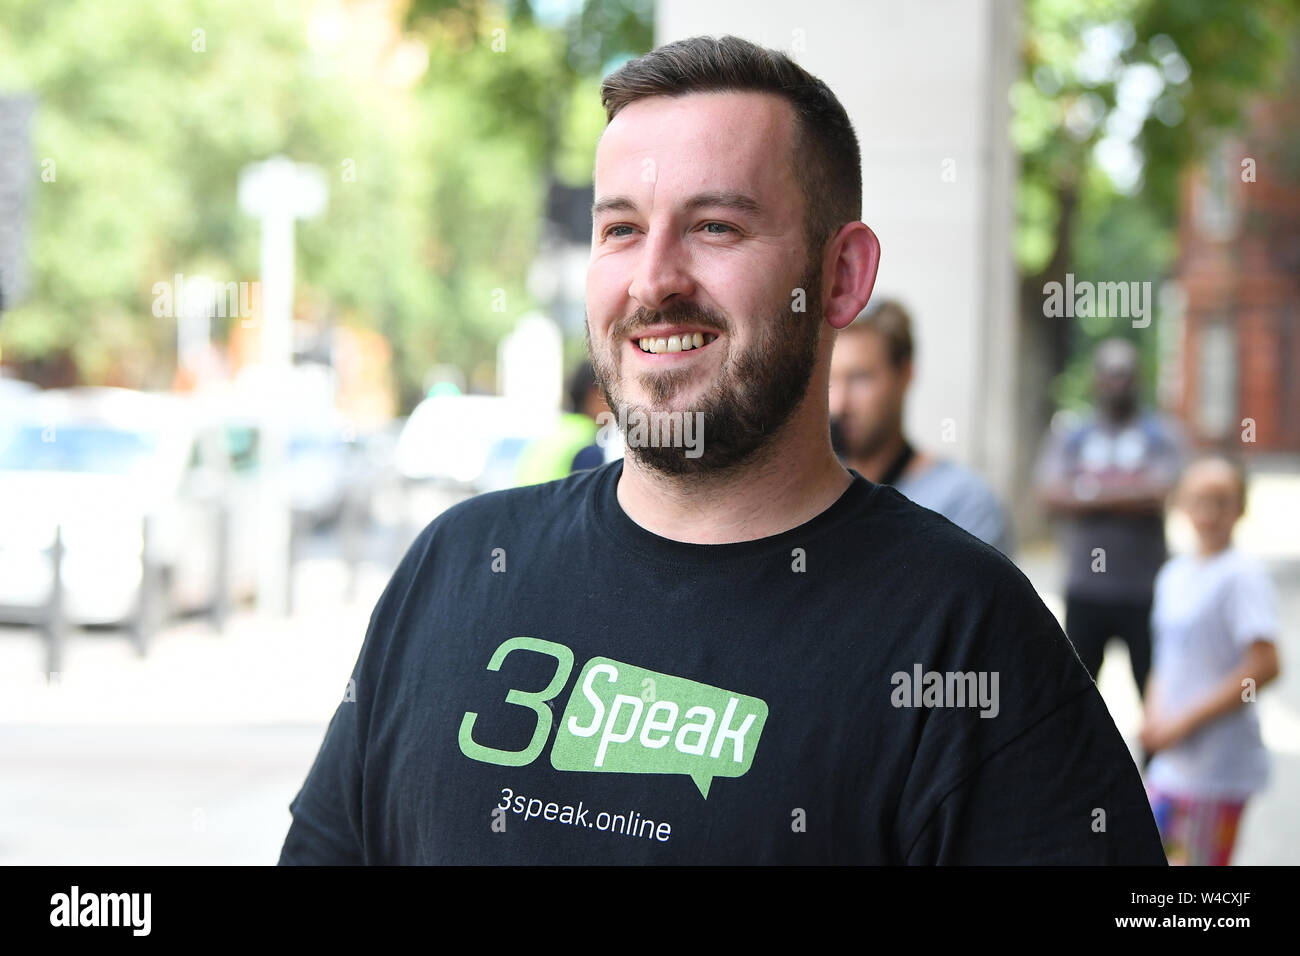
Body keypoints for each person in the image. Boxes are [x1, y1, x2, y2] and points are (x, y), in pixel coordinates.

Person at [278, 35, 1165, 865]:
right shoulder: (456, 567)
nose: (654, 280)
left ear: (842, 277)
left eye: (715, 227)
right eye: (620, 229)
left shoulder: (966, 639)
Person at [1140, 456, 1281, 865]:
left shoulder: (1242, 576)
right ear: (1182, 504)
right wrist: (1154, 717)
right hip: (1171, 760)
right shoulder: (1174, 574)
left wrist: (1182, 723)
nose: (1210, 512)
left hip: (1216, 766)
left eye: (1222, 501)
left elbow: (1265, 664)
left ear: (1240, 508)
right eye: (1200, 499)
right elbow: (1165, 656)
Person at [1034, 338, 1186, 700]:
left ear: (1137, 379)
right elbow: (1051, 494)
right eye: (1111, 373)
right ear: (1097, 378)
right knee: (1075, 699)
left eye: (1125, 374)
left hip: (1146, 589)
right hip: (1086, 588)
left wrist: (1088, 490)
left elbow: (1162, 493)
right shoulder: (1073, 433)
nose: (1118, 382)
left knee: (1156, 693)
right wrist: (1130, 489)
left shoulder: (1161, 433)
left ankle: (1154, 759)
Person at [829, 299, 1013, 554]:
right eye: (829, 381)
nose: (839, 404)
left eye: (860, 378)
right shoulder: (809, 497)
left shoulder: (963, 503)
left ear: (905, 374)